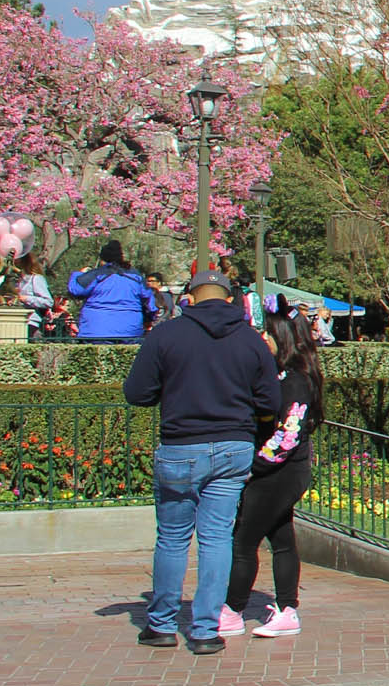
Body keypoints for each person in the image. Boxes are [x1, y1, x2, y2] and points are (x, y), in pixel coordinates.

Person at [123, 269, 281, 653]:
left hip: (182, 445)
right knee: (216, 539)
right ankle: (206, 630)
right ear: (229, 300)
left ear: (189, 299)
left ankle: (161, 624)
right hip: (233, 446)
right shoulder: (250, 339)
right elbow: (270, 401)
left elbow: (137, 393)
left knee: (173, 538)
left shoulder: (166, 335)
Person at [221, 309, 323, 638]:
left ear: (285, 338)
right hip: (279, 471)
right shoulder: (280, 375)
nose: (263, 338)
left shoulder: (296, 381)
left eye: (270, 333)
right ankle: (287, 609)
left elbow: (288, 436)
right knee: (281, 539)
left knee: (243, 541)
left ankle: (232, 610)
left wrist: (253, 466)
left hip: (280, 474)